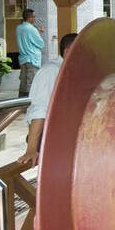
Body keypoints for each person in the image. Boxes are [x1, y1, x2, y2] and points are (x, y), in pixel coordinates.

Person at [18, 31, 77, 168]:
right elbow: (39, 109)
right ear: (67, 52)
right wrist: (32, 149)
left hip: (62, 134)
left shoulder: (68, 71)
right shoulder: (51, 71)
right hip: (48, 136)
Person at [15, 8, 45, 97]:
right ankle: (29, 103)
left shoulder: (18, 28)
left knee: (23, 82)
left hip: (23, 58)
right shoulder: (32, 29)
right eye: (34, 17)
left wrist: (37, 32)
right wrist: (37, 32)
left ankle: (20, 102)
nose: (35, 18)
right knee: (31, 83)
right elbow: (41, 44)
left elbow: (27, 37)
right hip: (32, 59)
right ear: (30, 18)